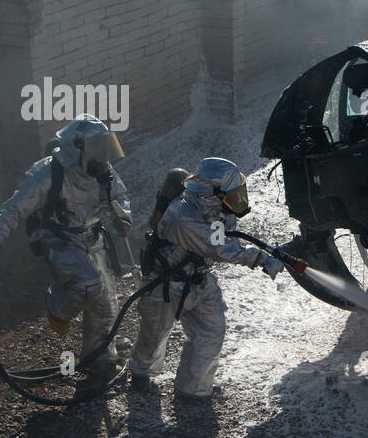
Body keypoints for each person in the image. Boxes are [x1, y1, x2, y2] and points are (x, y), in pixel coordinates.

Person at [130, 157, 306, 401]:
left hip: (198, 278)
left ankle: (194, 388)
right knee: (155, 333)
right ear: (212, 192)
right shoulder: (183, 215)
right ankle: (140, 375)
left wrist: (264, 255)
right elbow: (220, 247)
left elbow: (228, 238)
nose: (237, 200)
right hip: (165, 282)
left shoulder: (217, 209)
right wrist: (261, 259)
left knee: (212, 330)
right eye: (232, 194)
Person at [0, 114, 132, 380]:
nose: (102, 156)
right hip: (56, 237)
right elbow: (13, 209)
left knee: (106, 301)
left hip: (92, 236)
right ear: (77, 149)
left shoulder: (104, 173)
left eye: (104, 148)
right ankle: (57, 307)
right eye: (96, 149)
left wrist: (123, 217)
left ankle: (100, 360)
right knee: (89, 284)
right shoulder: (48, 172)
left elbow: (120, 198)